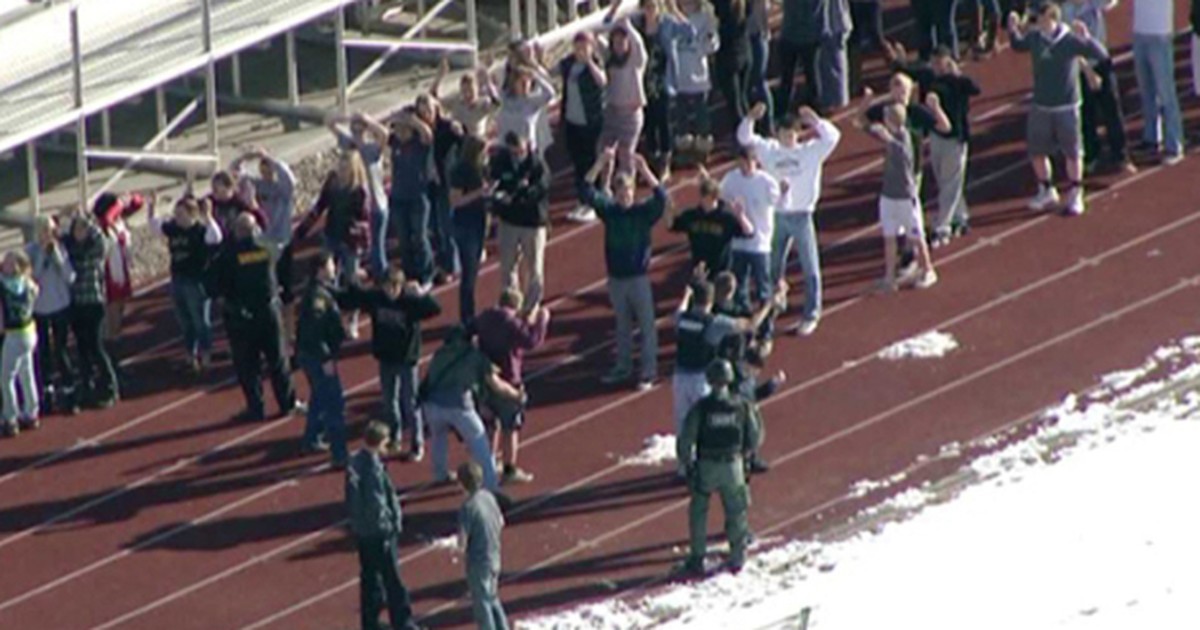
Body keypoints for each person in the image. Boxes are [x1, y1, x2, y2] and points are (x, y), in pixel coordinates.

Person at [738, 102, 841, 335]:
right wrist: (751, 118)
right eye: (784, 134)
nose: (788, 139)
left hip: (802, 215)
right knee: (773, 264)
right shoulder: (771, 150)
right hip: (777, 215)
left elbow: (833, 137)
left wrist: (815, 120)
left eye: (793, 134)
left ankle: (811, 313)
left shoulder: (809, 152)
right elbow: (745, 138)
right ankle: (776, 300)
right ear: (777, 133)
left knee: (809, 266)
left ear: (798, 134)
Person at [1007, 3, 1108, 215]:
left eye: (1039, 17)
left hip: (1066, 106)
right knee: (1037, 151)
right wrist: (1012, 28)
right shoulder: (1036, 39)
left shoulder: (1069, 40)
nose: (1035, 21)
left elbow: (1101, 54)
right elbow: (1018, 45)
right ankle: (1046, 189)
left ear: (1051, 17)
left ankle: (1075, 193)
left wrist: (1087, 38)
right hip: (1041, 105)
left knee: (1072, 153)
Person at [583, 147, 669, 390]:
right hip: (616, 278)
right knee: (622, 326)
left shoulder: (643, 213)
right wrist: (600, 163)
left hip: (638, 277)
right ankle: (623, 366)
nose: (625, 196)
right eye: (621, 192)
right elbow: (587, 190)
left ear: (633, 191)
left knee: (646, 325)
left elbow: (662, 198)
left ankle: (648, 371)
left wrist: (645, 171)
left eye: (628, 192)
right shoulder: (610, 212)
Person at [338, 263, 441, 460]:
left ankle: (416, 443)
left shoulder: (410, 302)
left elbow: (435, 309)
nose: (391, 291)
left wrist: (420, 293)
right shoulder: (376, 299)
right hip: (386, 358)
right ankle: (394, 436)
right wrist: (351, 280)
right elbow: (356, 296)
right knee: (389, 401)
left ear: (401, 286)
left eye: (395, 287)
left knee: (411, 402)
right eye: (387, 286)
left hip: (407, 359)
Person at [675, 359, 763, 574]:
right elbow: (756, 436)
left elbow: (686, 438)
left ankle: (697, 558)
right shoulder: (742, 405)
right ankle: (737, 557)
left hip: (707, 465)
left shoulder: (701, 408)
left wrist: (687, 463)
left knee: (698, 511)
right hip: (733, 466)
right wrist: (746, 456)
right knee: (737, 512)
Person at [890, 43, 982, 246]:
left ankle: (943, 226)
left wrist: (956, 74)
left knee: (950, 181)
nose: (936, 67)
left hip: (955, 138)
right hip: (936, 136)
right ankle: (961, 216)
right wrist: (899, 60)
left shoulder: (958, 83)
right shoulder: (928, 76)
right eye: (934, 62)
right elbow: (905, 71)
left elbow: (976, 88)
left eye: (940, 63)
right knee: (945, 180)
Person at [213, 212, 299, 422]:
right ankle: (286, 403)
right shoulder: (267, 249)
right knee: (278, 361)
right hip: (269, 312)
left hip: (241, 317)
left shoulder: (228, 255)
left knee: (248, 367)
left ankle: (255, 408)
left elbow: (217, 286)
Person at [420, 326, 523, 493]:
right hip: (459, 406)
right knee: (480, 443)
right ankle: (491, 485)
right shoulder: (474, 356)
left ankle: (440, 473)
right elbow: (495, 384)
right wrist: (516, 394)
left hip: (432, 404)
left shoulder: (440, 354)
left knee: (438, 438)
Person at [671, 281, 777, 439]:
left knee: (683, 424)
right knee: (706, 423)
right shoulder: (714, 323)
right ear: (711, 301)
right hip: (701, 379)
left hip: (679, 378)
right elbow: (750, 324)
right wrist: (769, 304)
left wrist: (687, 294)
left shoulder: (682, 319)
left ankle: (683, 460)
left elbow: (680, 309)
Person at [346, 420, 422, 630]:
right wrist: (390, 525)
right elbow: (376, 502)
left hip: (363, 533)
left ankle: (370, 623)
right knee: (393, 581)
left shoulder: (356, 463)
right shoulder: (371, 468)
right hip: (379, 534)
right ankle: (403, 623)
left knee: (370, 579)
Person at [476, 288, 551, 484]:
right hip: (509, 379)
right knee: (511, 427)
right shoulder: (510, 323)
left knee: (490, 425)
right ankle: (509, 469)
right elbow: (531, 341)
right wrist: (542, 320)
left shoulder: (485, 317)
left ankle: (487, 464)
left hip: (487, 378)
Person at [866, 103, 941, 291]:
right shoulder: (891, 137)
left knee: (916, 235)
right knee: (889, 236)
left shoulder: (905, 137)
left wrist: (887, 138)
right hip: (889, 195)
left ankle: (928, 270)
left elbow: (903, 156)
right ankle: (889, 277)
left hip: (906, 197)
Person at [298, 151, 372, 337]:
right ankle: (332, 318)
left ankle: (352, 320)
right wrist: (302, 230)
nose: (342, 169)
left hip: (350, 241)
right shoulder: (332, 183)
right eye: (340, 164)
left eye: (346, 165)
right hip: (331, 235)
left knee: (351, 281)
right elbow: (320, 206)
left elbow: (364, 220)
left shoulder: (359, 190)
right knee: (328, 278)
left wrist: (361, 242)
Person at [148, 196, 223, 372]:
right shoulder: (173, 229)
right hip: (178, 279)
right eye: (176, 213)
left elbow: (216, 237)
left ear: (192, 214)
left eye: (181, 214)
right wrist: (152, 207)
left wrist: (208, 216)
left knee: (199, 321)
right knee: (184, 321)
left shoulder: (200, 231)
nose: (177, 217)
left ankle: (205, 353)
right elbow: (155, 226)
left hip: (195, 281)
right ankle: (190, 354)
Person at [1060, 0, 1134, 175]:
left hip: (1101, 62)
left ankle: (1121, 155)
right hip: (1081, 67)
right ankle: (1092, 155)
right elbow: (1070, 46)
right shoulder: (1066, 12)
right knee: (1087, 113)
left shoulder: (1093, 3)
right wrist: (1087, 71)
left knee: (1112, 109)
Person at [364, 109, 435, 285]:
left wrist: (412, 120)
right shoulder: (395, 143)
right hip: (398, 197)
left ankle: (426, 273)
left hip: (418, 197)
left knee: (419, 237)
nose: (401, 132)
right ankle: (409, 272)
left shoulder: (419, 144)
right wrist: (393, 117)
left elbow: (427, 133)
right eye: (399, 129)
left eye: (405, 129)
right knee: (403, 238)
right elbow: (382, 130)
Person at [296, 252, 349, 467]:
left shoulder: (321, 290)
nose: (334, 267)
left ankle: (311, 438)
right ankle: (340, 454)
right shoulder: (317, 297)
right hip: (318, 356)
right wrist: (326, 357)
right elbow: (313, 331)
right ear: (320, 269)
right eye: (330, 264)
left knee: (319, 395)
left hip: (310, 354)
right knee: (333, 401)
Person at [233, 148, 298, 321]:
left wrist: (269, 156)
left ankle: (289, 326)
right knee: (267, 285)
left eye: (269, 169)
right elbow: (234, 173)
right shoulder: (257, 185)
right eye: (263, 170)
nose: (267, 173)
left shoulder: (284, 189)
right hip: (263, 242)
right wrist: (245, 156)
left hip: (282, 242)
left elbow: (288, 177)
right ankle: (273, 321)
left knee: (286, 288)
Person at [62, 213, 119, 408]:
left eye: (83, 228)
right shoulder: (69, 247)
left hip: (94, 303)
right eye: (77, 228)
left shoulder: (95, 247)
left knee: (96, 347)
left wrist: (88, 220)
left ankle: (110, 386)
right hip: (76, 303)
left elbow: (102, 240)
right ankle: (87, 386)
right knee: (82, 348)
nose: (80, 232)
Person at [490, 132, 551, 311]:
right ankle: (511, 305)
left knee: (534, 269)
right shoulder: (501, 161)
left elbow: (540, 189)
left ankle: (531, 308)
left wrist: (516, 197)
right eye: (513, 152)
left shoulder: (537, 165)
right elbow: (496, 182)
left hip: (532, 223)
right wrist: (499, 199)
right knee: (507, 267)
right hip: (509, 221)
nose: (517, 156)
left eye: (520, 151)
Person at [327, 112, 391, 277]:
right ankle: (360, 275)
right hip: (356, 207)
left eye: (359, 127)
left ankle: (382, 278)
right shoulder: (348, 145)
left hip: (376, 205)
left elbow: (384, 135)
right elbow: (329, 122)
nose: (356, 130)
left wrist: (368, 120)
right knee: (356, 248)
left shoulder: (371, 149)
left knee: (377, 248)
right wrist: (348, 117)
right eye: (354, 127)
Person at [719, 146, 781, 315]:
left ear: (755, 161)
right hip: (739, 243)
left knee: (763, 288)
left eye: (747, 162)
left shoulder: (766, 182)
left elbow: (780, 202)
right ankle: (745, 322)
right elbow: (721, 198)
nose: (744, 166)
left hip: (760, 244)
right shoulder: (731, 179)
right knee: (739, 288)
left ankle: (765, 330)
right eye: (740, 162)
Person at [27, 215, 76, 414]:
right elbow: (33, 278)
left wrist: (56, 256)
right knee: (44, 351)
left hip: (60, 306)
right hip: (40, 309)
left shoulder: (60, 248)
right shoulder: (30, 251)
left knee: (61, 349)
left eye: (49, 230)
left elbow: (70, 276)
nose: (46, 234)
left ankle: (69, 389)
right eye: (43, 230)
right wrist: (42, 258)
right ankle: (47, 391)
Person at [559, 32, 609, 222]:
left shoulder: (595, 63)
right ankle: (581, 200)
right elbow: (551, 70)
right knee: (578, 162)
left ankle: (592, 201)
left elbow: (602, 82)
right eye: (577, 47)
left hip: (591, 122)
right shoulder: (568, 64)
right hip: (572, 121)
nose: (580, 51)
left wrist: (589, 62)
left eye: (584, 47)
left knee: (590, 161)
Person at [668, 168, 754, 278]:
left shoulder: (726, 217)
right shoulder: (692, 215)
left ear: (714, 197)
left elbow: (749, 232)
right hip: (699, 272)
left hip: (720, 273)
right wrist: (668, 209)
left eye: (706, 196)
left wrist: (741, 216)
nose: (703, 199)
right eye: (702, 195)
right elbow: (671, 225)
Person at [456, 460, 510, 630]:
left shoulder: (467, 507)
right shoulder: (489, 496)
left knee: (482, 606)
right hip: (495, 555)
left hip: (478, 562)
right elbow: (500, 522)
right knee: (493, 598)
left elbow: (462, 543)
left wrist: (456, 545)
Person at [1132, 0, 1185, 165]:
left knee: (1165, 92)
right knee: (1146, 90)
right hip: (1139, 31)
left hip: (1160, 33)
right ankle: (1151, 137)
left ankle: (1174, 143)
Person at [777, 0, 853, 115]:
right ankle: (815, 108)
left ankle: (784, 111)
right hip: (810, 37)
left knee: (791, 78)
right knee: (812, 77)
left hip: (795, 35)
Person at [668, 0, 720, 166]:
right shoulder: (671, 18)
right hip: (679, 76)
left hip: (698, 75)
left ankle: (702, 148)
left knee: (701, 114)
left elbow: (712, 46)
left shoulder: (705, 18)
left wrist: (706, 41)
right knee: (680, 114)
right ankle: (684, 149)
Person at [448, 135, 492, 327]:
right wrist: (479, 193)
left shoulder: (481, 169)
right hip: (465, 223)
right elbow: (455, 201)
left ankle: (469, 312)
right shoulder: (461, 171)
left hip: (478, 221)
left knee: (473, 269)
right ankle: (467, 315)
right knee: (469, 271)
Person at [602, 2, 650, 178]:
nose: (619, 44)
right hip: (612, 112)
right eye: (616, 41)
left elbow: (637, 41)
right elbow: (599, 32)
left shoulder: (636, 61)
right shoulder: (609, 59)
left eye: (623, 41)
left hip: (630, 114)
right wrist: (612, 14)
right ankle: (605, 186)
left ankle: (627, 187)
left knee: (626, 154)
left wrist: (624, 21)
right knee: (605, 151)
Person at [91, 192, 144, 341]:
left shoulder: (118, 220)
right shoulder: (103, 224)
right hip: (109, 269)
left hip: (121, 266)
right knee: (112, 303)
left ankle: (115, 331)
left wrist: (130, 198)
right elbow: (107, 219)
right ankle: (111, 335)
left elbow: (138, 204)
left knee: (121, 302)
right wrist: (118, 205)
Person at [0, 251, 40, 436]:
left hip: (15, 333)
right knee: (26, 372)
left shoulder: (4, 285)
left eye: (7, 262)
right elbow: (36, 291)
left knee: (6, 377)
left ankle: (10, 416)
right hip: (29, 330)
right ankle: (31, 412)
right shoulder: (27, 282)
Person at [430, 56, 499, 140]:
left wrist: (488, 81)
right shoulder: (457, 101)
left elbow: (497, 103)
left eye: (471, 91)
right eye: (464, 91)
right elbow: (433, 99)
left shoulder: (482, 104)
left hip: (475, 143)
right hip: (457, 140)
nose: (467, 95)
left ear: (477, 90)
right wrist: (439, 77)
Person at [711, 0, 751, 127]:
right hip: (744, 53)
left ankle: (744, 137)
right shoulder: (743, 4)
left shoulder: (722, 5)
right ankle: (751, 131)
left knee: (734, 105)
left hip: (728, 59)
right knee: (742, 98)